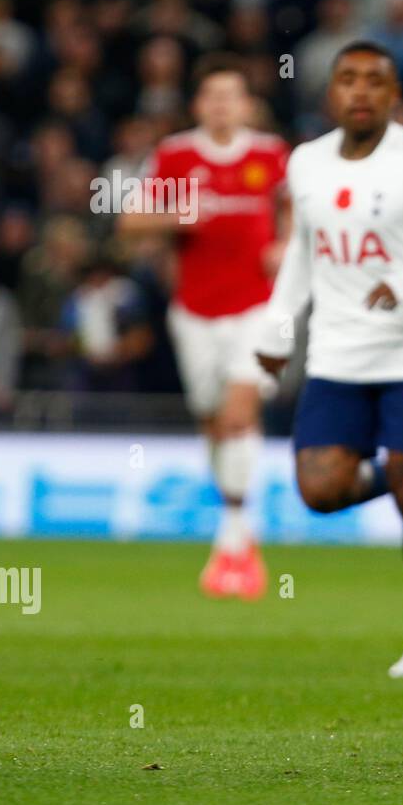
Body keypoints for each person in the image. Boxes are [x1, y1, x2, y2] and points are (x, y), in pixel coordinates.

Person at [254, 42, 403, 678]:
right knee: (319, 491)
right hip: (336, 358)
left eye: (374, 82)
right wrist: (278, 333)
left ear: (394, 95)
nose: (360, 92)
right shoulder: (305, 164)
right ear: (331, 91)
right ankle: (402, 466)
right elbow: (302, 259)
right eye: (348, 80)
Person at [118, 54, 289, 599]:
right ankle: (240, 532)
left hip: (257, 309)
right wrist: (177, 216)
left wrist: (286, 244)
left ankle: (232, 542)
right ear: (199, 104)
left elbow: (298, 212)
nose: (221, 105)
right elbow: (129, 222)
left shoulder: (269, 155)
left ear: (245, 104)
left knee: (241, 412)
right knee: (215, 422)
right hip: (193, 310)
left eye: (230, 96)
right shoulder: (175, 155)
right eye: (212, 96)